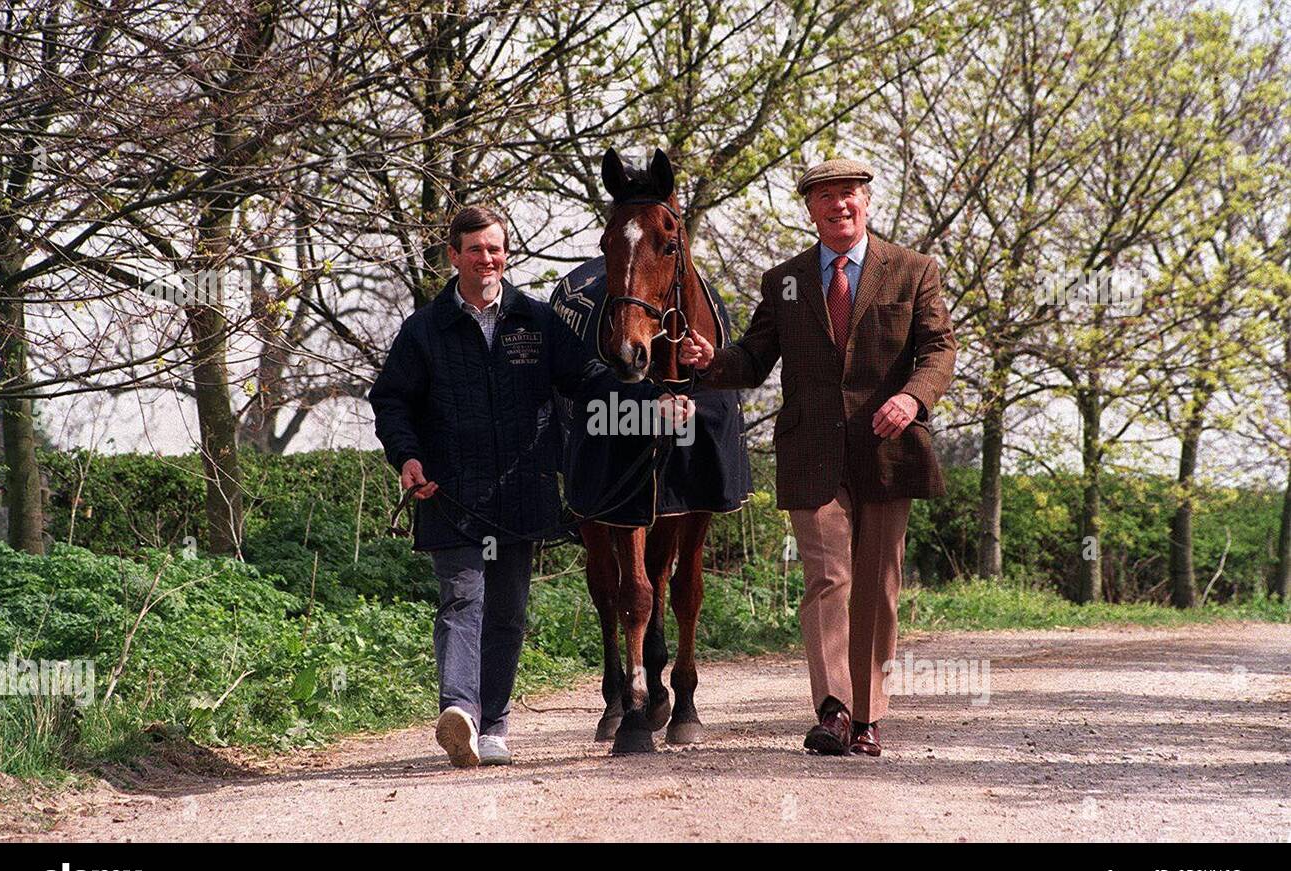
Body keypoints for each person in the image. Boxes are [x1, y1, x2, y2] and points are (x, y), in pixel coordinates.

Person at [370, 205, 689, 768]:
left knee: (509, 612)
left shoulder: (538, 322)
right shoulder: (424, 329)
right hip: (449, 490)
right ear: (454, 256)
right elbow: (392, 399)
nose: (486, 258)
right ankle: (461, 710)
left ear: (505, 254)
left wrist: (652, 400)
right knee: (462, 599)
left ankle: (492, 725)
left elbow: (589, 380)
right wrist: (407, 455)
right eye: (474, 249)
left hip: (520, 490)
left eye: (494, 248)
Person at [679, 159, 956, 756]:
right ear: (810, 210)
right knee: (829, 577)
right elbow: (754, 359)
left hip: (887, 451)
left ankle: (868, 714)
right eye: (825, 198)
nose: (838, 206)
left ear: (867, 201)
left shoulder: (913, 271)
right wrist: (713, 361)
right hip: (811, 454)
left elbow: (939, 350)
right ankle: (833, 710)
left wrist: (912, 398)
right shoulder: (784, 279)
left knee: (878, 586)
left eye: (848, 195)